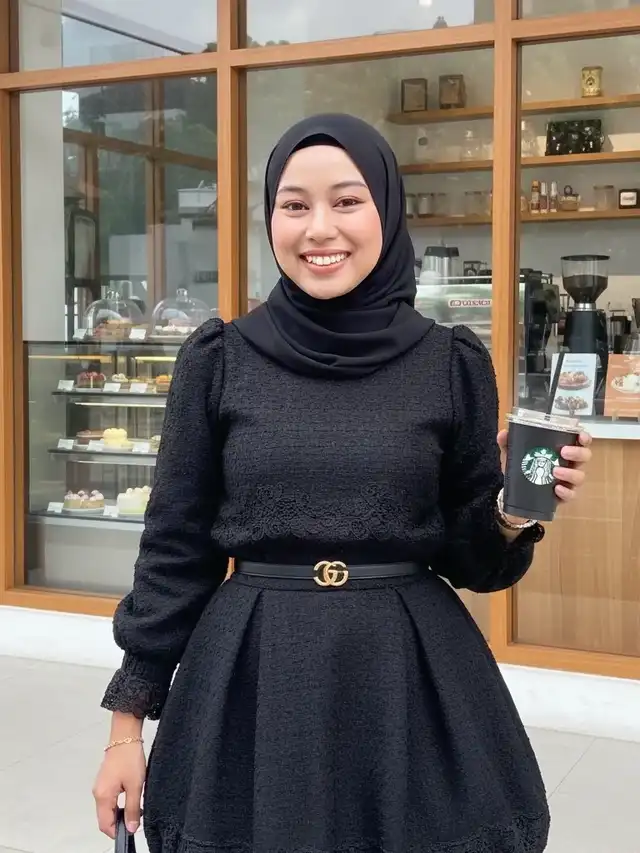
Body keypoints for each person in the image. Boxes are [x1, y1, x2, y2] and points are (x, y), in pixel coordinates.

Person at [93, 113, 592, 853]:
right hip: (253, 676)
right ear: (271, 219)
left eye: (347, 201)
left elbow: (473, 561)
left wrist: (512, 513)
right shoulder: (221, 360)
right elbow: (175, 549)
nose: (318, 228)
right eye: (294, 205)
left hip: (407, 676)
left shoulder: (449, 363)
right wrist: (126, 728)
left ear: (386, 210)